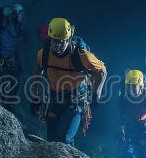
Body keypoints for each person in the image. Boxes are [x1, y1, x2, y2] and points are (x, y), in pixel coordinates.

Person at [30, 17, 106, 145]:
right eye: (54, 41)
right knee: (52, 139)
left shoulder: (81, 55)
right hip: (55, 97)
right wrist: (34, 95)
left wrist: (96, 93)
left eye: (62, 41)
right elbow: (38, 69)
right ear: (50, 39)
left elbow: (102, 71)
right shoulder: (44, 54)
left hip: (76, 99)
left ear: (69, 39)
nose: (57, 45)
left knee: (65, 139)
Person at [0, 3, 26, 108]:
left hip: (8, 57)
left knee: (13, 78)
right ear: (16, 14)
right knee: (10, 79)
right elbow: (5, 42)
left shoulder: (15, 24)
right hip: (4, 57)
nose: (22, 16)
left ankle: (7, 103)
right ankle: (6, 104)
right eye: (20, 14)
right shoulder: (7, 23)